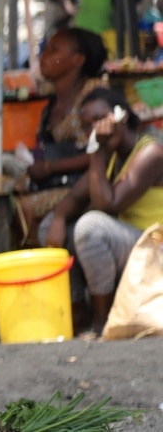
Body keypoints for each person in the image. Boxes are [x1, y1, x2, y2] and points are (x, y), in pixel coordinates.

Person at [43, 88, 163, 336]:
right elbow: (75, 197)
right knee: (50, 226)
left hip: (154, 246)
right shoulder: (110, 156)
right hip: (130, 242)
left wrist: (97, 151)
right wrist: (59, 218)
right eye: (87, 126)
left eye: (100, 119)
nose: (95, 130)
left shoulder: (150, 153)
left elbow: (108, 205)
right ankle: (78, 310)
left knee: (91, 226)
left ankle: (102, 319)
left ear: (122, 117)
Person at [17, 27, 108, 240]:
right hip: (57, 182)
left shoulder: (94, 95)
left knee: (22, 209)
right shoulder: (52, 99)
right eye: (46, 49)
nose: (44, 56)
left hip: (85, 186)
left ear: (77, 60)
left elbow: (102, 151)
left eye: (54, 50)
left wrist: (49, 167)